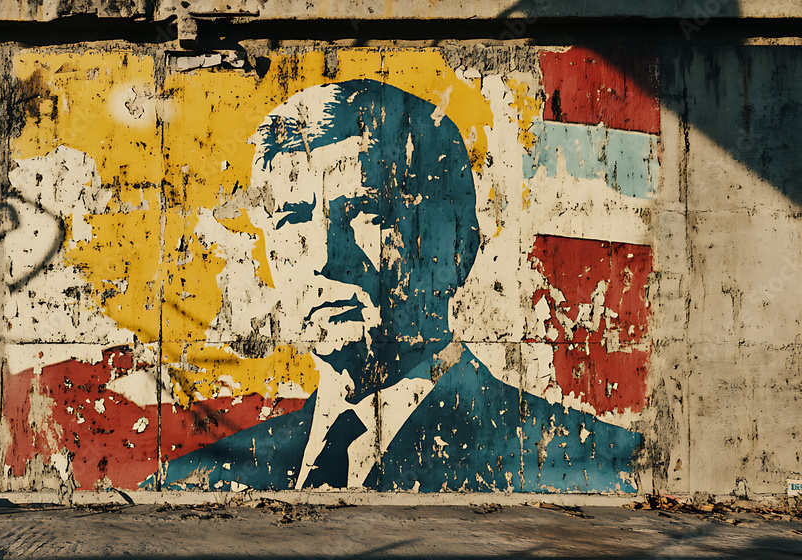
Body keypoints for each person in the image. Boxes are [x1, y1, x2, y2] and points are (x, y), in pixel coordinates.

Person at [154, 79, 640, 492]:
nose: (324, 258)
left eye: (367, 213)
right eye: (292, 219)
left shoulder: (592, 466)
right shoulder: (195, 481)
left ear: (456, 248)